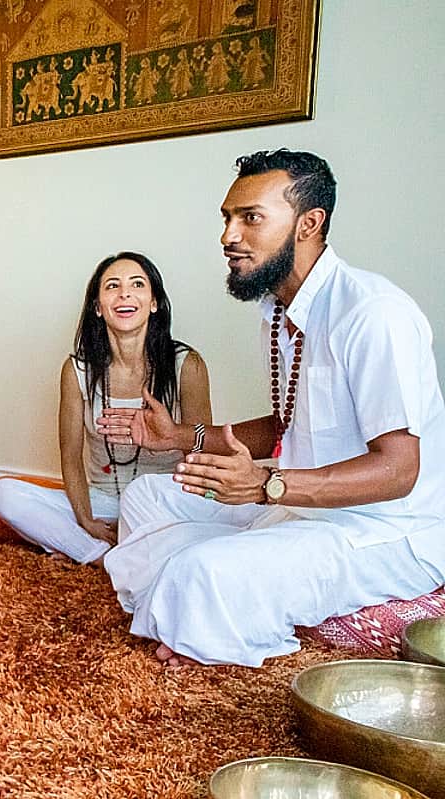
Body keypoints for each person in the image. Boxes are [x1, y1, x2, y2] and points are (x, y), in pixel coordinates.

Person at [98, 149, 445, 667]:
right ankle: (202, 599)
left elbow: (399, 470)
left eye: (250, 218)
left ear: (309, 223)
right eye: (227, 218)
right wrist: (179, 437)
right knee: (147, 497)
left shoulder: (373, 313)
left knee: (200, 568)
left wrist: (266, 486)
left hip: (382, 528)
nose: (228, 236)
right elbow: (287, 424)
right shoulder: (277, 314)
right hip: (296, 504)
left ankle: (202, 597)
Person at [0, 253, 210, 564]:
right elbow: (70, 455)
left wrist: (171, 436)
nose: (125, 294)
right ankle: (100, 556)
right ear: (97, 306)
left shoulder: (186, 364)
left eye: (137, 284)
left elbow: (202, 452)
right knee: (3, 494)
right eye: (112, 286)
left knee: (214, 530)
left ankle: (92, 548)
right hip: (104, 501)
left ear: (154, 303)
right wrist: (86, 520)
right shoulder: (77, 370)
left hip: (163, 501)